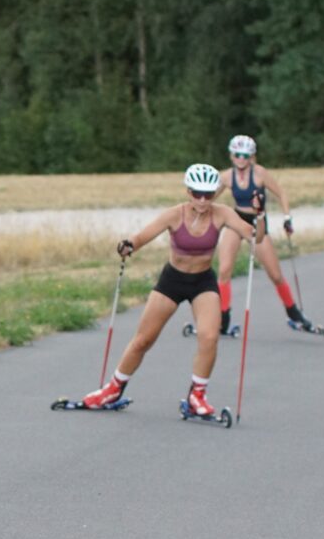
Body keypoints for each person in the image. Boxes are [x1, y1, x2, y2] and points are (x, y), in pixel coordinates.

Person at [81, 163, 265, 414]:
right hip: (172, 281)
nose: (202, 200)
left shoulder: (222, 213)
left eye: (208, 194)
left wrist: (260, 214)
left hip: (202, 282)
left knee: (210, 336)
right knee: (143, 340)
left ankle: (197, 396)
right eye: (196, 193)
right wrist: (129, 245)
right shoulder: (174, 214)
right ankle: (113, 389)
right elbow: (143, 236)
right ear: (188, 192)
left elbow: (256, 236)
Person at [214, 135, 316, 332]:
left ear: (252, 156)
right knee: (224, 270)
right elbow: (209, 197)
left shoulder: (260, 173)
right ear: (231, 156)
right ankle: (223, 317)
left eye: (245, 155)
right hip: (237, 220)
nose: (241, 159)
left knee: (275, 274)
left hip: (257, 222)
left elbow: (281, 193)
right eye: (237, 155)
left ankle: (294, 313)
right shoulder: (227, 176)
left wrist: (287, 217)